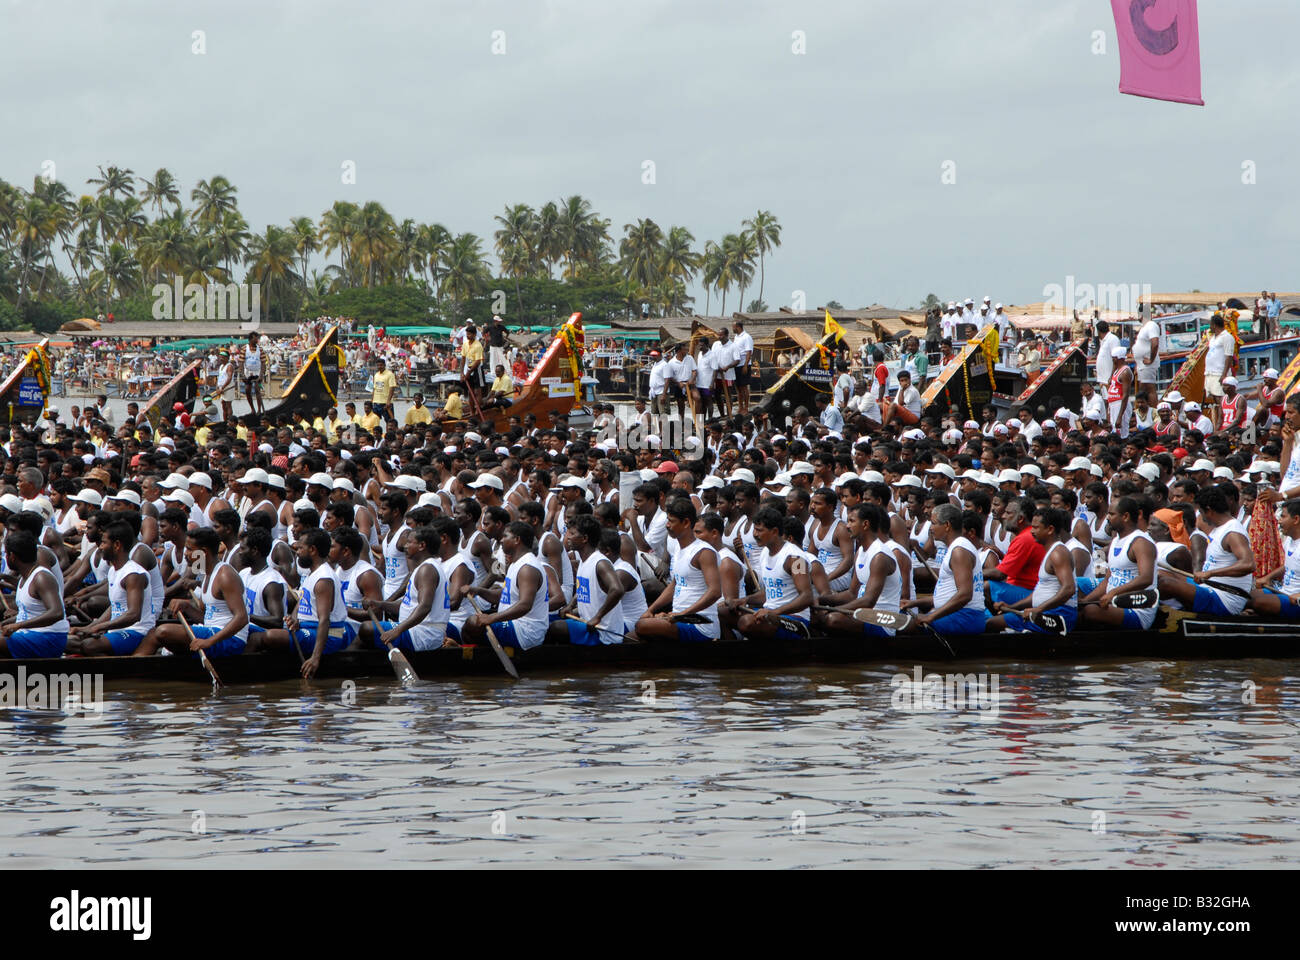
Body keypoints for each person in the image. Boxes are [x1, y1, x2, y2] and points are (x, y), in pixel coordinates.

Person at [1157, 486, 1254, 616]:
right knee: (1159, 574)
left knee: (1165, 584)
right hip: (1209, 587)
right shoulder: (1218, 528)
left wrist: (1210, 573)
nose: (1200, 518)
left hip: (1224, 599)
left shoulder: (1233, 532)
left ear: (1208, 510)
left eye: (1201, 513)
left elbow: (1248, 564)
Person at [987, 507, 1077, 634]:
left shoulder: (1058, 553)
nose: (1032, 531)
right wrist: (1012, 607)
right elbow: (1038, 595)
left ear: (1050, 529)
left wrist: (1039, 609)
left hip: (1060, 616)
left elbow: (1069, 589)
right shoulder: (1050, 551)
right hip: (1045, 612)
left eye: (1036, 528)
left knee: (990, 624)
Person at [1080, 497, 1157, 630]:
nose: (1108, 518)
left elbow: (1146, 578)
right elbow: (1107, 580)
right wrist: (1084, 601)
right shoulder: (1115, 541)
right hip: (1114, 604)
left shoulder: (1141, 543)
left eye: (1112, 514)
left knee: (1090, 611)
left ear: (1125, 516)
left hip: (1137, 610)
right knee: (1080, 602)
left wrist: (1112, 593)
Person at [243, 331, 266, 417]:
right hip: (248, 372)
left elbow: (263, 362)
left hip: (257, 371)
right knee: (247, 390)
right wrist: (242, 374)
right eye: (255, 338)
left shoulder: (260, 349)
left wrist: (261, 374)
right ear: (251, 339)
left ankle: (259, 409)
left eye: (257, 338)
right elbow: (241, 362)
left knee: (257, 390)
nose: (257, 339)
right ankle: (252, 409)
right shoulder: (244, 348)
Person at [371, 357, 398, 422]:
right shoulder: (376, 375)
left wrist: (388, 401)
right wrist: (372, 400)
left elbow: (392, 388)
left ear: (384, 365)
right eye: (378, 365)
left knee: (389, 421)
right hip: (376, 402)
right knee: (375, 421)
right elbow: (374, 388)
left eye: (381, 365)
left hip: (385, 402)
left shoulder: (390, 374)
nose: (379, 367)